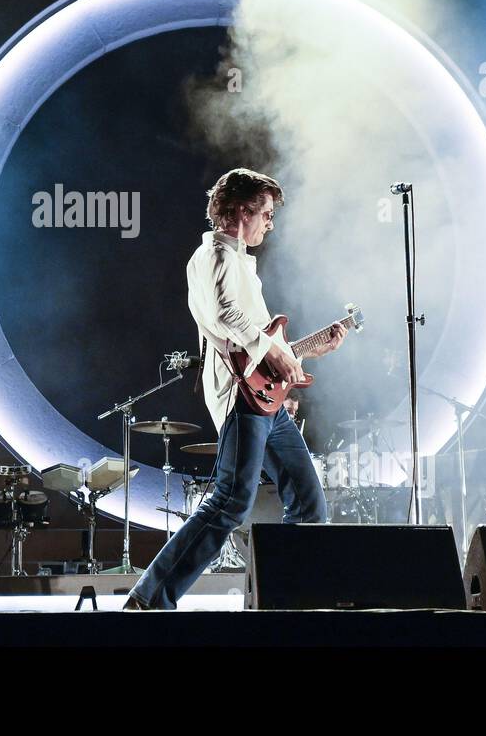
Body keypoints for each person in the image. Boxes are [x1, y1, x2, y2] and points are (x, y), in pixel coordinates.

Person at [126, 168, 347, 610]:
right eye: (265, 212)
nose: (270, 222)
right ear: (240, 211)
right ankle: (148, 601)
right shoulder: (216, 256)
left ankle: (289, 600)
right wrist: (278, 354)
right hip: (240, 398)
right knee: (229, 503)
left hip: (265, 402)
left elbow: (257, 346)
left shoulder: (238, 260)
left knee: (307, 504)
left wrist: (298, 354)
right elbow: (228, 318)